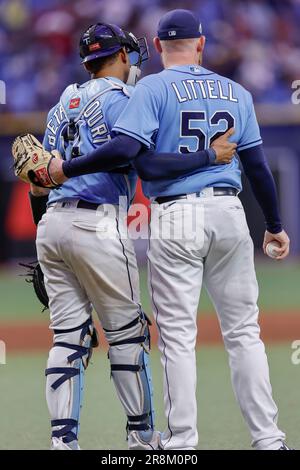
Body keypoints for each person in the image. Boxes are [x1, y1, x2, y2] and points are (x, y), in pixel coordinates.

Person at [46, 10, 292, 451]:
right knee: (244, 333)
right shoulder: (236, 91)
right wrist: (274, 225)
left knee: (178, 337)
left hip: (175, 215)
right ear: (201, 44)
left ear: (158, 48)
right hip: (229, 212)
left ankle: (181, 443)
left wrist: (62, 169)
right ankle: (269, 439)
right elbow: (257, 168)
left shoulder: (151, 88)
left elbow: (140, 161)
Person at [29, 22, 162, 451]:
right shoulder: (122, 97)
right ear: (121, 55)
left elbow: (38, 183)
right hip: (99, 222)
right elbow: (128, 150)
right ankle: (141, 439)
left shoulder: (59, 105)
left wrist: (43, 239)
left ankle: (62, 442)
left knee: (67, 337)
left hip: (52, 222)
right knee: (126, 334)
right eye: (129, 53)